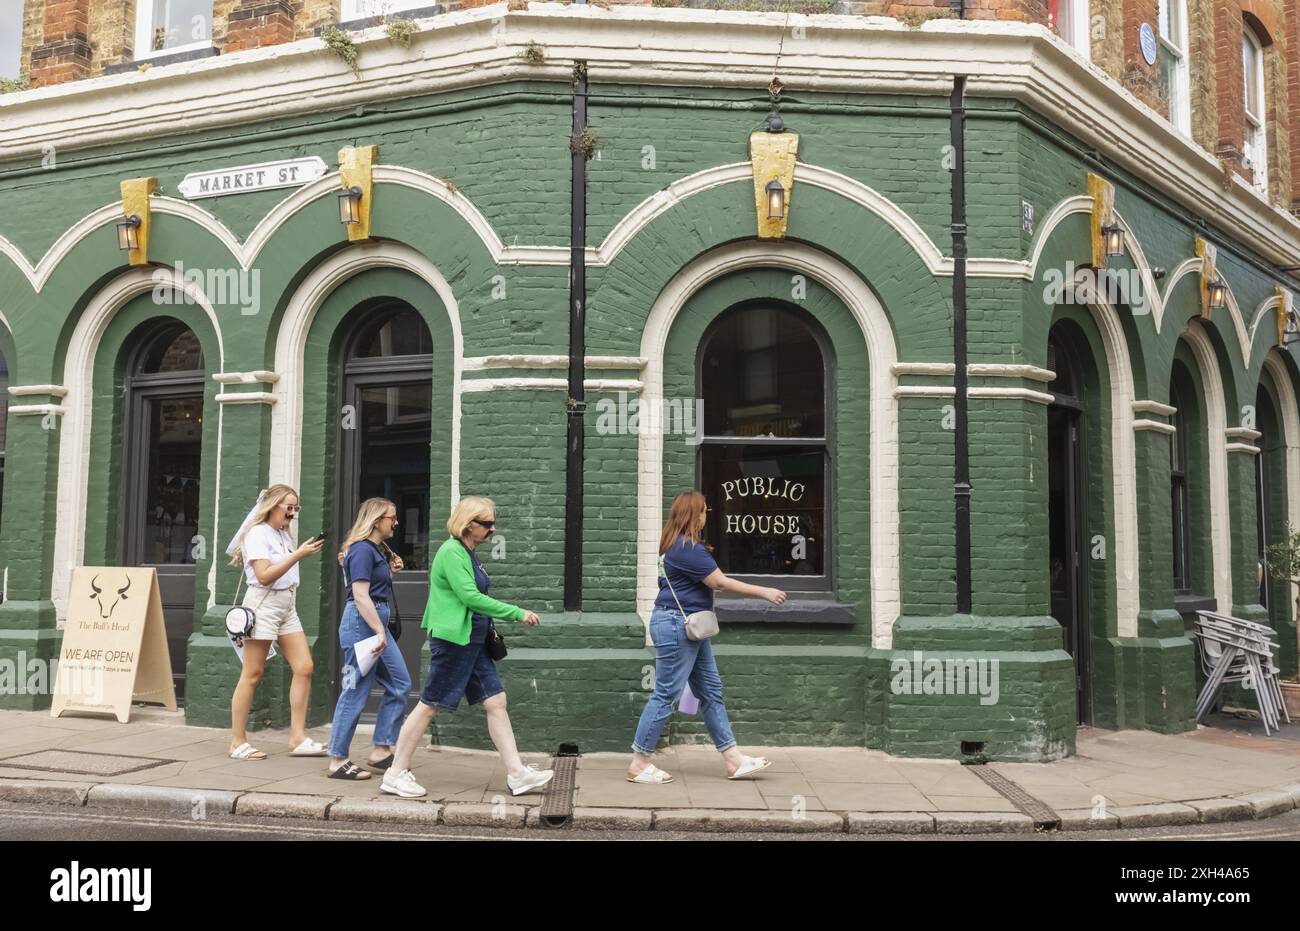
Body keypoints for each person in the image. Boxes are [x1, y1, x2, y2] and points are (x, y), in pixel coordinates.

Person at [381, 497, 553, 798]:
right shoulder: (451, 552)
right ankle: (395, 773)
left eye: (492, 522)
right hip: (453, 642)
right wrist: (516, 612)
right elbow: (470, 597)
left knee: (496, 701)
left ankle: (517, 774)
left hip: (473, 642)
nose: (492, 528)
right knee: (429, 705)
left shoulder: (468, 552)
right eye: (486, 523)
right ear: (468, 523)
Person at [627, 490, 787, 785]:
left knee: (711, 691)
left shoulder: (676, 545)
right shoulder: (686, 548)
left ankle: (733, 760)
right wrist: (764, 592)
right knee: (665, 695)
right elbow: (719, 582)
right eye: (703, 510)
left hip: (687, 626)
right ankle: (639, 762)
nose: (707, 514)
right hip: (679, 625)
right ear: (693, 514)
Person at [225, 484, 326, 760]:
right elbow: (265, 574)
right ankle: (237, 742)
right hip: (264, 605)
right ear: (272, 507)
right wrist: (298, 555)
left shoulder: (283, 534)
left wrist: (297, 553)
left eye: (296, 508)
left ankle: (297, 737)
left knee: (304, 666)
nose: (292, 514)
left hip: (286, 605)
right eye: (288, 508)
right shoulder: (257, 534)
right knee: (253, 673)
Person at [325, 497, 411, 780]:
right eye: (392, 518)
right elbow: (360, 596)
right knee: (354, 690)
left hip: (374, 625)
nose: (396, 523)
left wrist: (390, 572)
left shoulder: (374, 551)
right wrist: (378, 631)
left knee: (400, 683)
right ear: (376, 521)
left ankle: (381, 749)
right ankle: (338, 760)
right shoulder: (362, 550)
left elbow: (372, 589)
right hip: (363, 626)